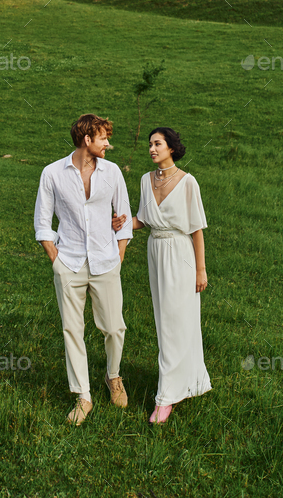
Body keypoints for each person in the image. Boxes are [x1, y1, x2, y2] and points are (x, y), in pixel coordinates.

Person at [34, 113, 133, 425]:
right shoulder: (52, 173)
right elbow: (42, 223)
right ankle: (83, 396)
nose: (108, 144)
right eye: (103, 138)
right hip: (70, 263)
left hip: (106, 263)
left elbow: (124, 218)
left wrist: (118, 255)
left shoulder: (113, 172)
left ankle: (113, 377)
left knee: (115, 328)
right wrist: (56, 260)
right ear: (86, 139)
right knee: (72, 330)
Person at [113, 127, 211, 424]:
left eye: (157, 144)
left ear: (171, 148)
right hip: (156, 253)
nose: (152, 149)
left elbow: (196, 229)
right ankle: (190, 382)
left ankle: (166, 397)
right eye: (150, 144)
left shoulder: (188, 182)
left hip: (181, 254)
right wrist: (121, 223)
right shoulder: (146, 179)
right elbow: (143, 218)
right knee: (164, 320)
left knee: (177, 321)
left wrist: (200, 269)